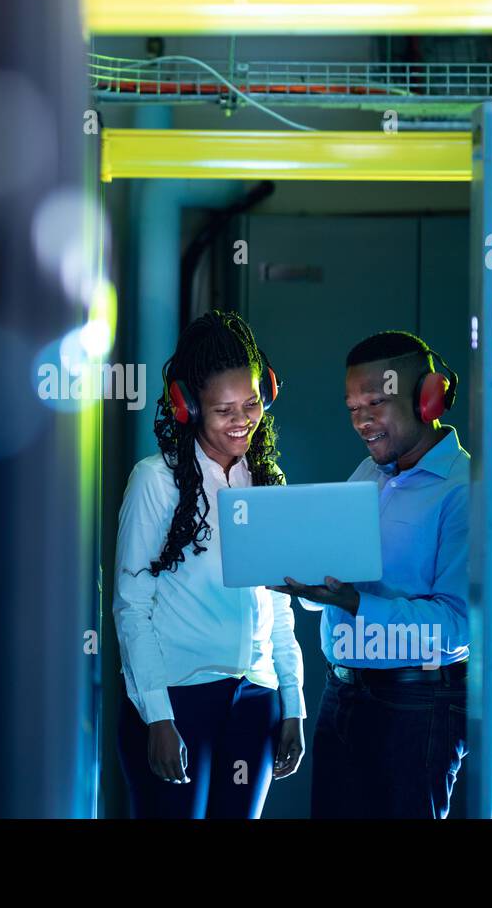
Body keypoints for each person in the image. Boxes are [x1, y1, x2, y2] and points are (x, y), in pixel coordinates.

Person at [113, 311, 307, 819]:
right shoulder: (155, 481)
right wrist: (157, 716)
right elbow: (131, 607)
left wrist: (293, 700)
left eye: (252, 403)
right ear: (188, 406)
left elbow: (280, 605)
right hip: (179, 699)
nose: (242, 419)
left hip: (255, 699)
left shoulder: (265, 482)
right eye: (224, 409)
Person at [272, 330, 469, 818]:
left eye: (376, 403)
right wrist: (312, 588)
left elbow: (459, 626)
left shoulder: (463, 489)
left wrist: (356, 604)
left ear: (427, 399)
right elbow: (339, 586)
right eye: (353, 407)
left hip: (416, 704)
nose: (361, 420)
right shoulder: (368, 472)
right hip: (343, 694)